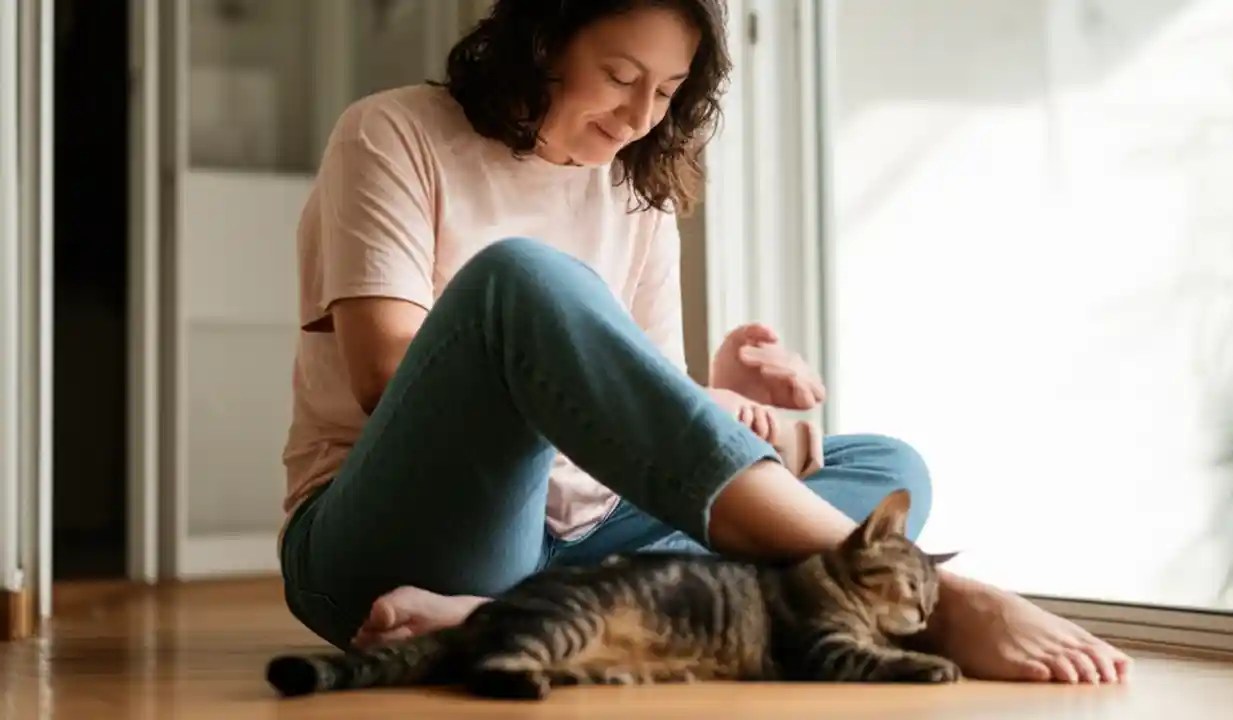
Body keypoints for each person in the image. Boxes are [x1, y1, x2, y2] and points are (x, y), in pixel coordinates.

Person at [278, 0, 1132, 685]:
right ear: (541, 40)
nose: (640, 116)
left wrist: (723, 403)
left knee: (885, 466)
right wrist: (683, 412)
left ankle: (512, 620)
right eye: (619, 76)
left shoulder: (637, 192)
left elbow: (635, 417)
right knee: (524, 279)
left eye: (668, 90)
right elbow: (385, 372)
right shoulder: (393, 132)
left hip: (583, 543)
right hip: (396, 538)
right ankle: (947, 600)